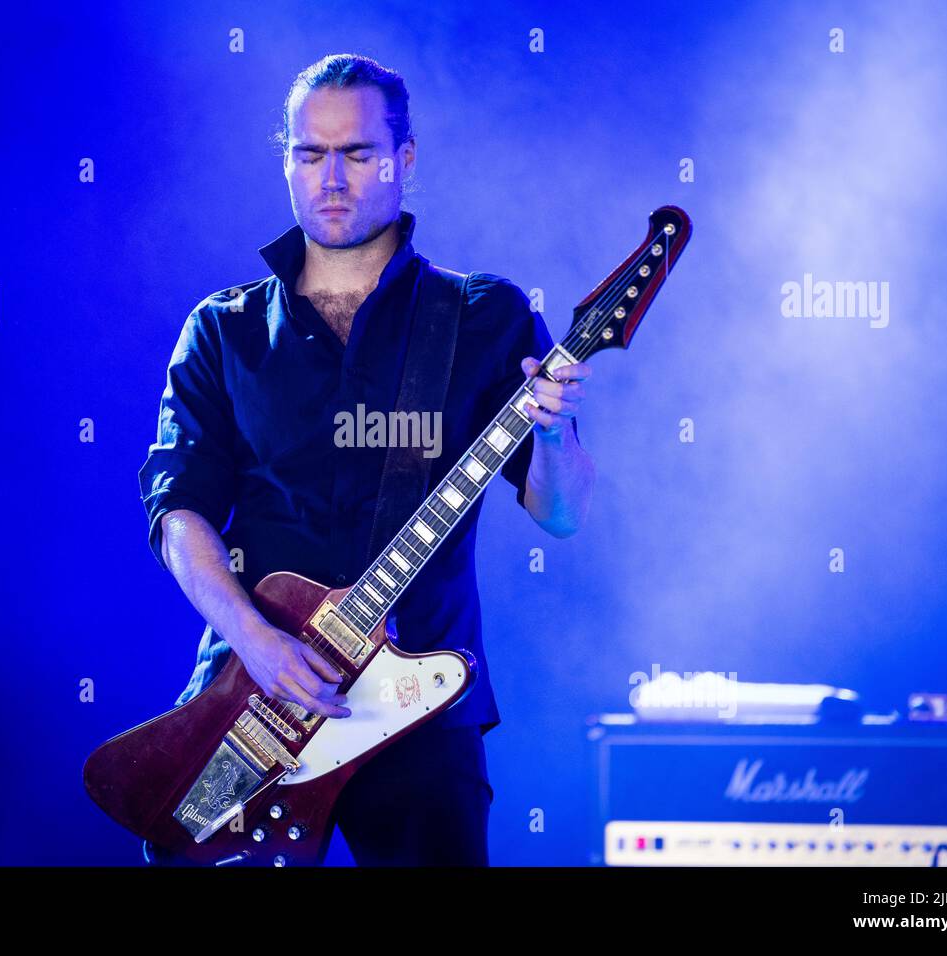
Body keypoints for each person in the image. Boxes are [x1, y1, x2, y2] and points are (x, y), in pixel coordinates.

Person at [138, 53, 595, 866]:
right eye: (310, 155)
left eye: (356, 153)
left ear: (404, 159)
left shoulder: (483, 316)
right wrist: (253, 638)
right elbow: (180, 515)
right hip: (255, 697)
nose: (331, 177)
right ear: (287, 161)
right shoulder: (224, 330)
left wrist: (554, 432)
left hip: (422, 711)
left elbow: (558, 514)